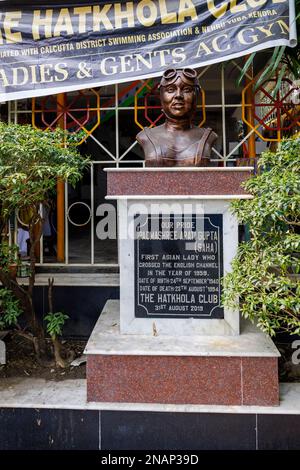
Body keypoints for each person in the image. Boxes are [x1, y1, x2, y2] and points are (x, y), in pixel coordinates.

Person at [137, 68, 218, 167]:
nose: (178, 95)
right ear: (161, 96)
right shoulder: (145, 137)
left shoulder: (209, 136)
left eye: (187, 90)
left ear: (197, 96)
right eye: (170, 90)